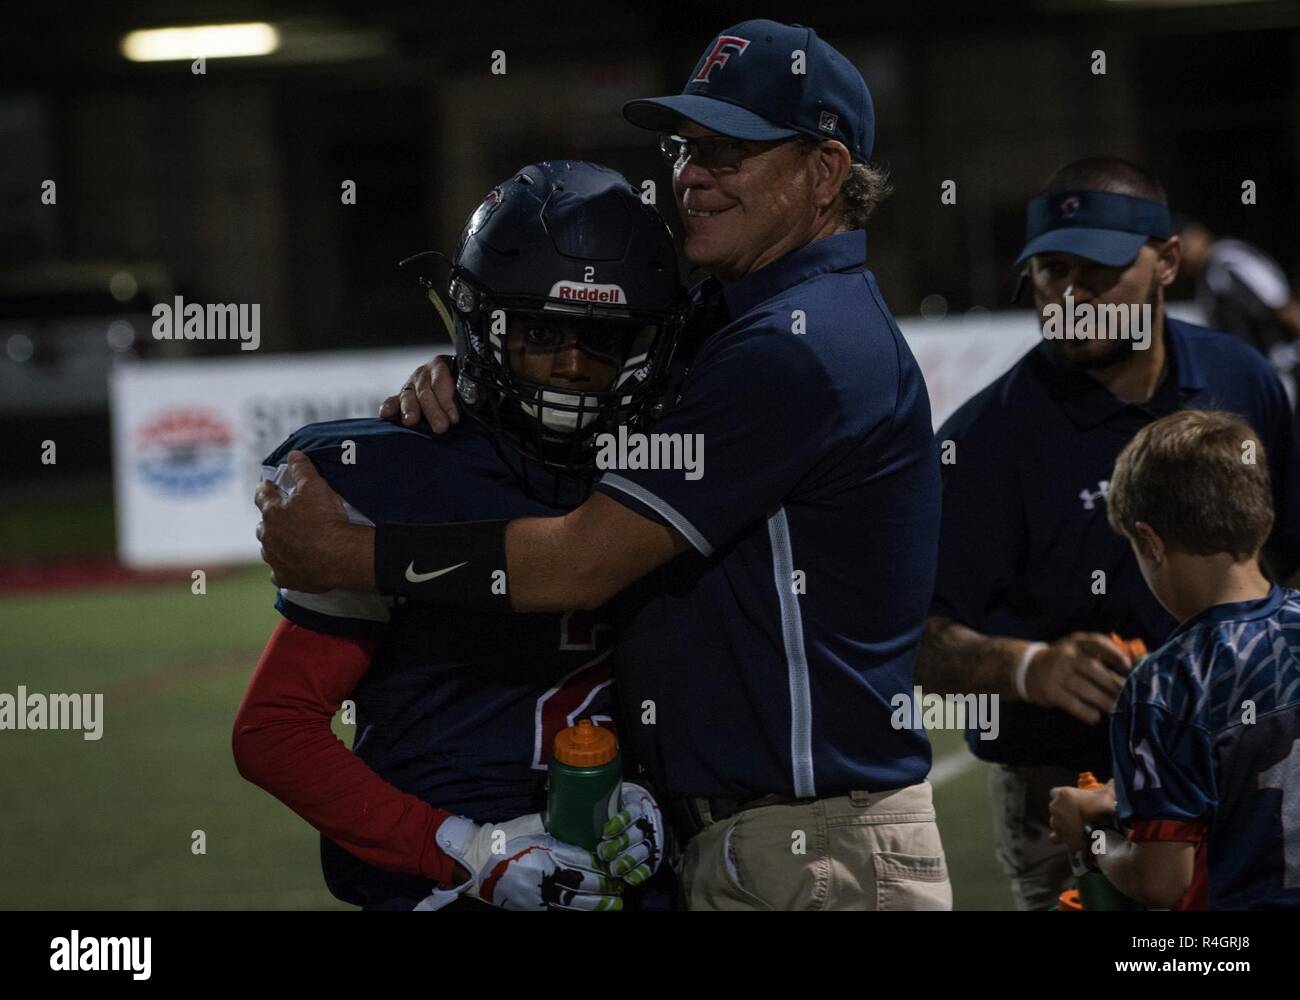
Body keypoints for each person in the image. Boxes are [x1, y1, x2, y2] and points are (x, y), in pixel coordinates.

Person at [255, 20, 952, 911]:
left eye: (728, 151)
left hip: (812, 848)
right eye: (685, 147)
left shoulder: (799, 347)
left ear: (823, 171)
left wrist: (350, 554)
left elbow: (582, 562)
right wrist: (465, 380)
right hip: (741, 838)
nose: (691, 175)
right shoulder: (730, 322)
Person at [235, 161, 680, 911]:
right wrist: (460, 850)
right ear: (482, 322)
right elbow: (274, 730)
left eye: (603, 339)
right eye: (541, 331)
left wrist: (656, 800)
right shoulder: (400, 473)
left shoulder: (670, 466)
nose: (572, 366)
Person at [917, 156, 1300, 910]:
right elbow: (909, 638)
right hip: (1064, 794)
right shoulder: (981, 441)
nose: (1071, 294)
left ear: (1166, 263)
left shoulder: (1244, 381)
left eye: (1097, 268)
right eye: (1051, 270)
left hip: (1251, 777)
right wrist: (1029, 667)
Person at [1049, 409, 1300, 910]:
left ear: (1149, 543)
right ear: (1264, 518)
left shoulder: (1168, 681)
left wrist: (1094, 843)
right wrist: (1127, 796)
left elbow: (1162, 880)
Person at [1178, 218, 1300, 414]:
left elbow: (1283, 306)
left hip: (1282, 368)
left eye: (1184, 247)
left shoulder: (1229, 258)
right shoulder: (1206, 278)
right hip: (1256, 375)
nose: (1181, 259)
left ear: (1199, 235)